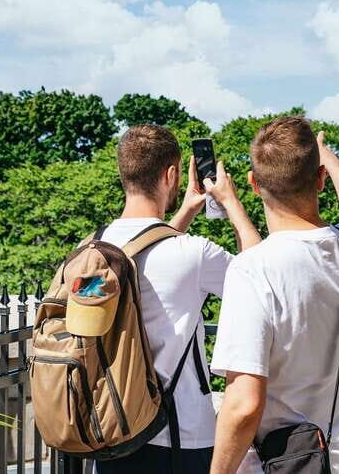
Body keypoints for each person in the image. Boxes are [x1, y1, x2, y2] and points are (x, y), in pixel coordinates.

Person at [210, 116, 339, 474]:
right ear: (319, 180)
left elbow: (243, 405)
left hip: (278, 464)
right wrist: (330, 158)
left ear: (254, 184)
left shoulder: (251, 270)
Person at [94, 124, 261, 474]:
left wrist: (183, 213)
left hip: (110, 430)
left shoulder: (93, 247)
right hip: (178, 438)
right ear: (171, 175)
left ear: (124, 173)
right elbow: (262, 277)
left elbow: (146, 251)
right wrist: (230, 203)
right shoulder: (194, 254)